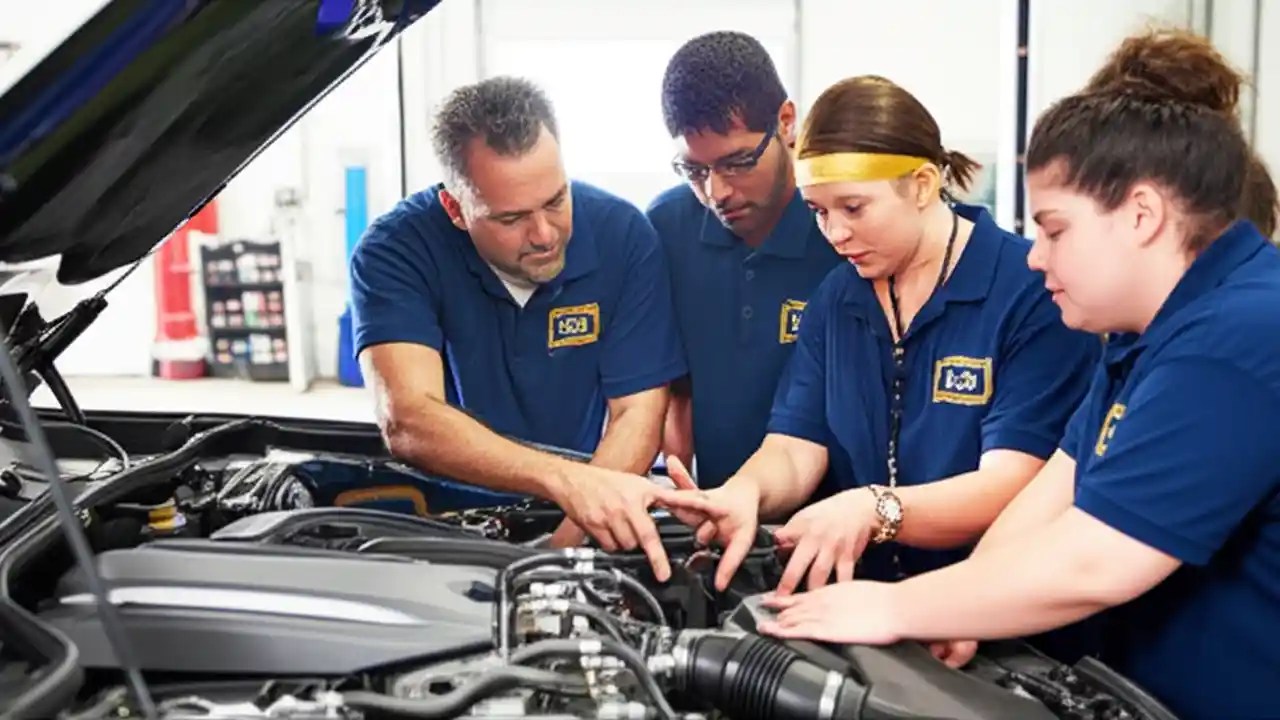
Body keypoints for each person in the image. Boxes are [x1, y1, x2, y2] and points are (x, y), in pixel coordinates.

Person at [752, 29, 1280, 720]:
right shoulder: (1138, 338)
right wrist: (968, 605)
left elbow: (1097, 559)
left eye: (1055, 230)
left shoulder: (1236, 337)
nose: (1037, 257)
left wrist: (896, 605)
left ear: (1143, 215)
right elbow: (1052, 498)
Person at [665, 74, 1100, 601]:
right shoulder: (836, 299)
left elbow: (1014, 484)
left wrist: (876, 509)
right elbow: (797, 444)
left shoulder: (1029, 292)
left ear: (921, 185)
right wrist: (744, 492)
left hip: (997, 608)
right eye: (818, 212)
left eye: (853, 208)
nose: (835, 234)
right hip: (866, 611)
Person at [349, 76, 699, 581]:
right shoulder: (395, 252)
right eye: (511, 218)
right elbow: (409, 418)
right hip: (440, 521)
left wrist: (562, 548)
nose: (544, 234)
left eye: (556, 200)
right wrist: (563, 480)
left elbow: (637, 416)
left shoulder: (622, 237)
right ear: (456, 209)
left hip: (574, 520)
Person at [647, 31, 842, 488]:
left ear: (787, 122)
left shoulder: (844, 226)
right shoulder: (666, 229)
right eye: (695, 170)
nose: (717, 193)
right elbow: (675, 394)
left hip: (843, 521)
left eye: (737, 162)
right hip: (720, 513)